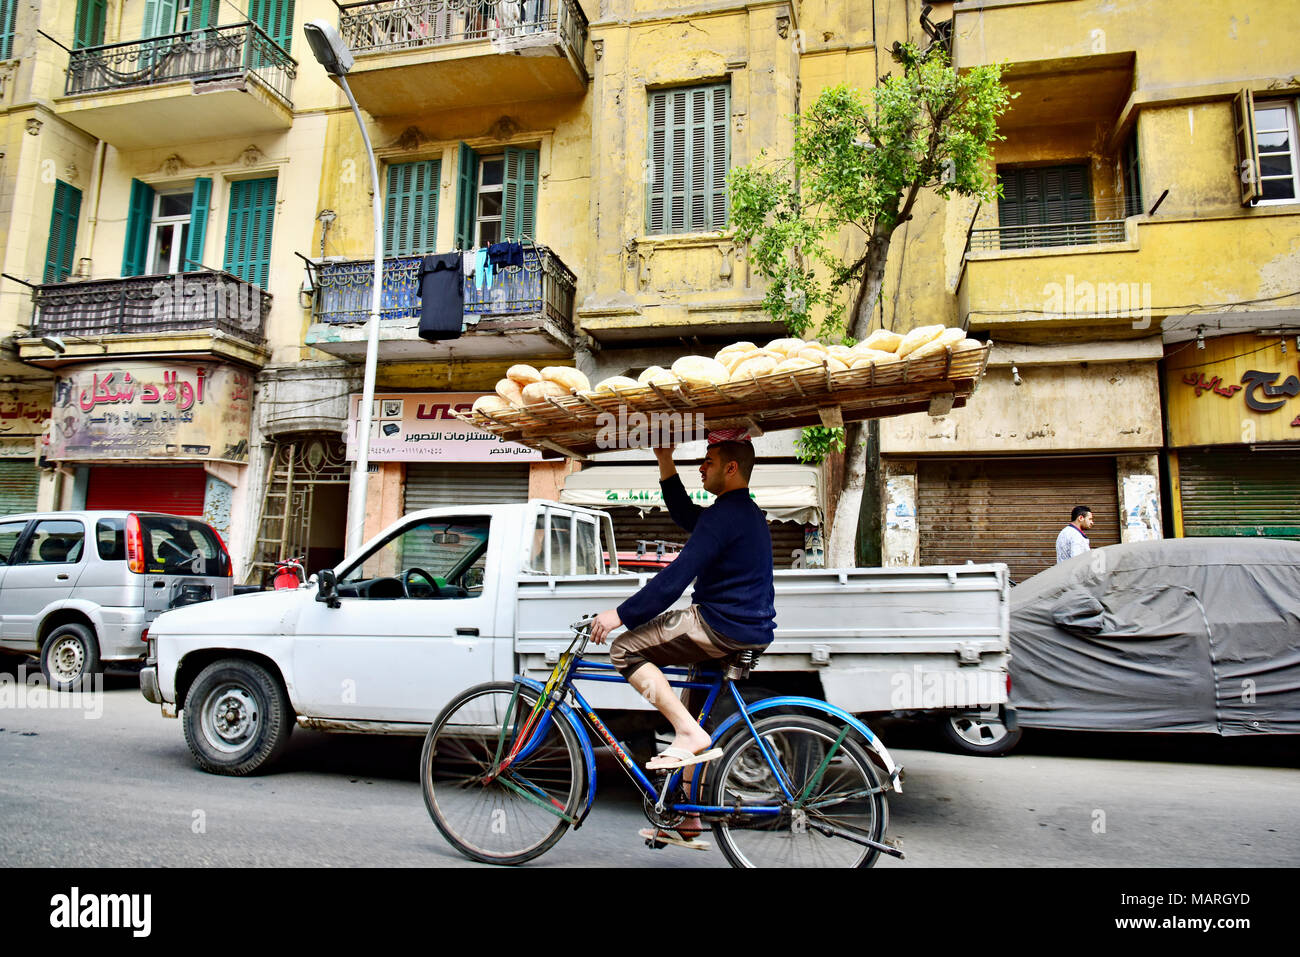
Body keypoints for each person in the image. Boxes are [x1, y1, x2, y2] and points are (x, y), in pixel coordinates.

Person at [589, 433, 776, 847]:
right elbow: (685, 513)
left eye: (708, 461)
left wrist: (618, 615)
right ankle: (688, 815)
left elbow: (674, 580)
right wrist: (664, 460)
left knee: (624, 648)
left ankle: (689, 736)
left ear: (731, 468)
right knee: (691, 716)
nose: (701, 467)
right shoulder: (739, 513)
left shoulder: (726, 516)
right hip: (743, 627)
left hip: (718, 623)